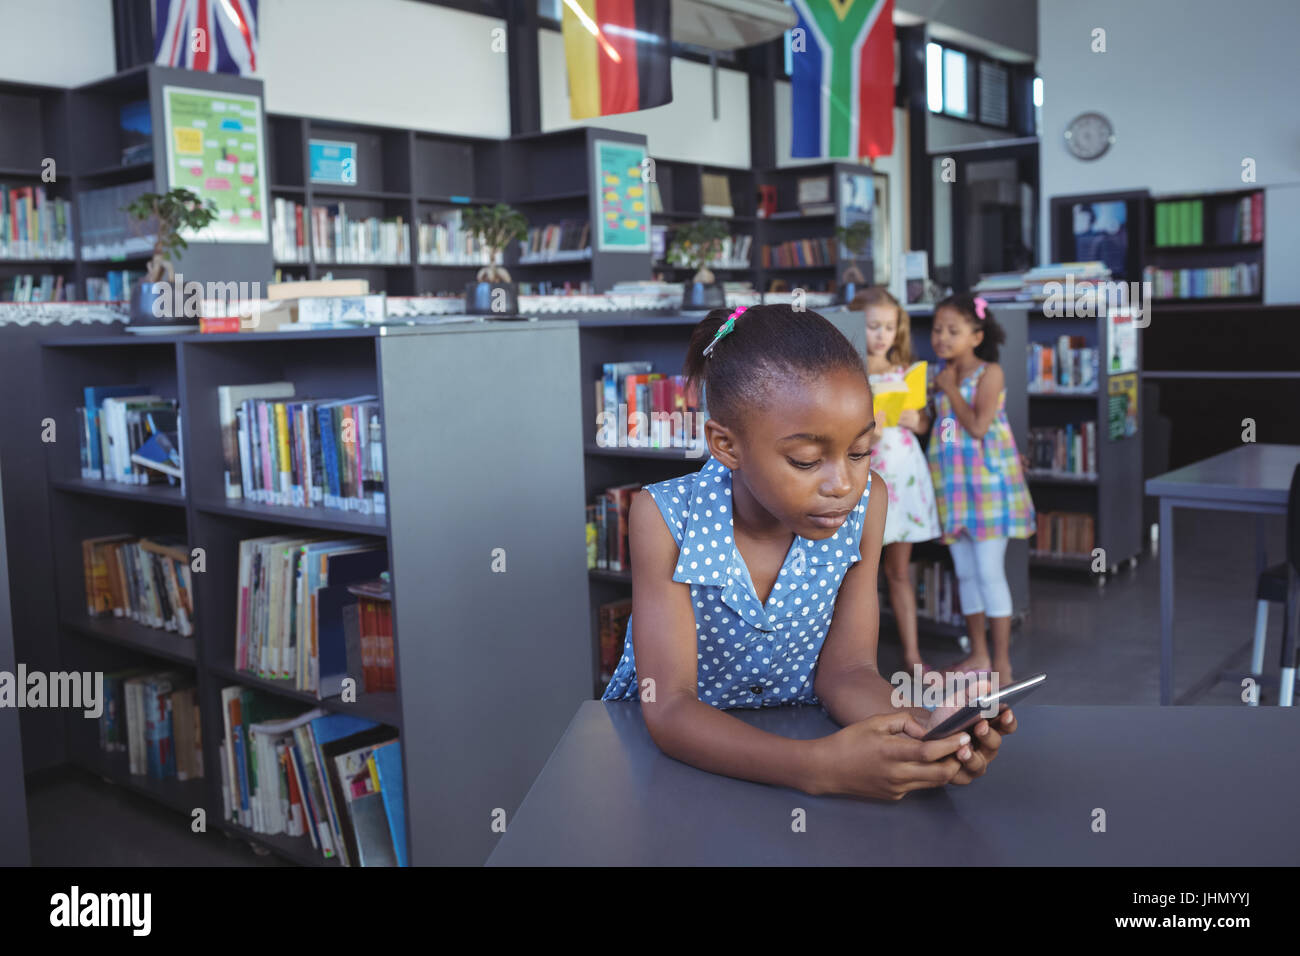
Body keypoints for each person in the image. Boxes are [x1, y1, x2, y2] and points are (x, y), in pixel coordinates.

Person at [601, 303, 1015, 799]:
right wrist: (817, 766)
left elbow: (847, 672)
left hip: (801, 742)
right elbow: (669, 708)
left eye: (860, 452)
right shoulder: (663, 517)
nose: (842, 483)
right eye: (806, 460)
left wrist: (927, 732)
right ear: (726, 445)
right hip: (670, 771)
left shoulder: (867, 502)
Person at [928, 294, 1036, 686]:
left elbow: (977, 426)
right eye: (938, 330)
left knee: (990, 573)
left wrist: (949, 389)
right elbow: (950, 433)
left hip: (989, 489)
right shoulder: (938, 378)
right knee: (966, 575)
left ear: (976, 336)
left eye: (953, 331)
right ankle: (978, 655)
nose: (942, 337)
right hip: (954, 488)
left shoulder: (989, 374)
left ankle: (1002, 664)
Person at [853, 287, 941, 677]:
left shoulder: (905, 371)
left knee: (899, 571)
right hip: (868, 476)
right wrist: (871, 430)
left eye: (889, 326)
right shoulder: (851, 373)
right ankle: (859, 663)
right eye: (874, 326)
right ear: (858, 326)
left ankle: (913, 657)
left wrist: (913, 420)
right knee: (861, 574)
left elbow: (924, 422)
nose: (882, 334)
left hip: (904, 477)